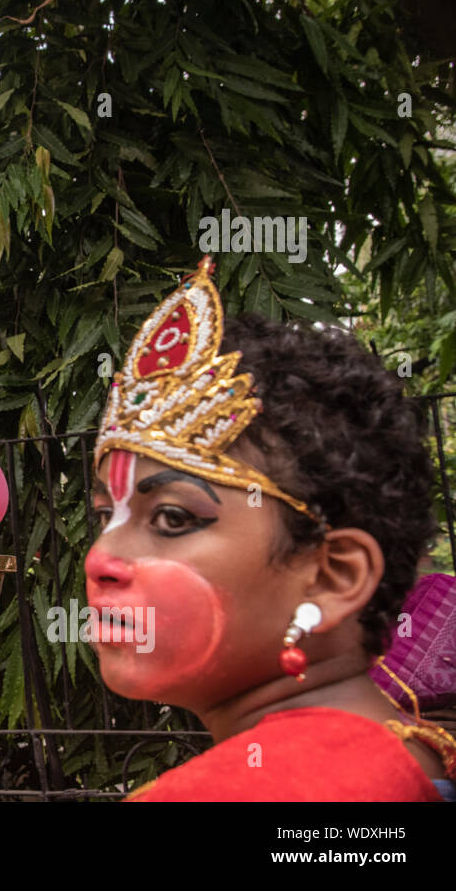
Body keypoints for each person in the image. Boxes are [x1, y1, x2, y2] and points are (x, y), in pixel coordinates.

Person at [87, 256, 456, 801]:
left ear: (332, 577)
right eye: (105, 516)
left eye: (172, 518)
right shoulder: (414, 755)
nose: (102, 560)